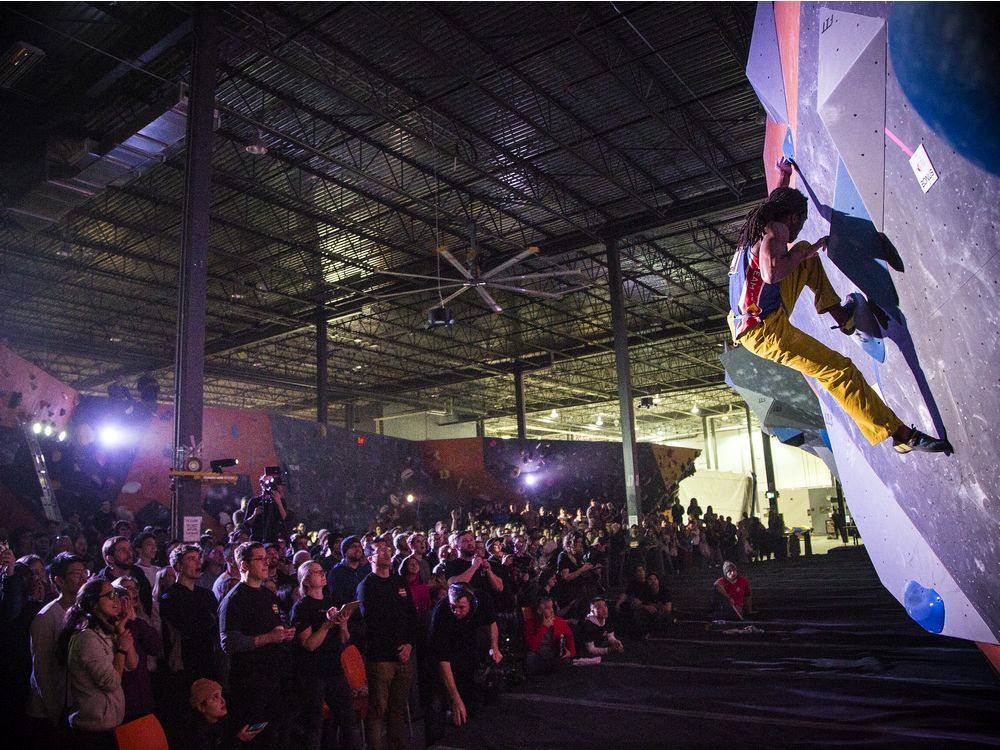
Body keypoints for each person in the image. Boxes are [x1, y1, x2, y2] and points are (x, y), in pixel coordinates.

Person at [728, 157, 952, 455]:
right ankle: (899, 434)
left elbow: (775, 202)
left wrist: (783, 176)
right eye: (800, 223)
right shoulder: (772, 235)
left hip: (760, 313)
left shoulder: (765, 220)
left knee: (805, 252)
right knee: (838, 371)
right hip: (764, 333)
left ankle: (842, 316)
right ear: (792, 219)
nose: (797, 231)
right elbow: (771, 274)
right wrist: (800, 255)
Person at [219, 541, 296, 748]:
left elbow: (274, 626)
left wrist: (283, 634)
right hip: (250, 683)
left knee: (274, 736)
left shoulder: (267, 595)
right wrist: (269, 638)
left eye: (267, 558)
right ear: (244, 565)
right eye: (260, 559)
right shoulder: (234, 600)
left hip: (273, 676)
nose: (266, 563)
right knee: (255, 739)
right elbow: (229, 642)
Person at [59, 578, 139, 750]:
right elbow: (110, 682)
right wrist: (121, 650)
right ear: (94, 604)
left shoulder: (107, 631)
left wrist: (121, 628)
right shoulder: (86, 638)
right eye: (110, 595)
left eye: (116, 594)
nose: (116, 600)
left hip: (110, 725)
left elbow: (133, 664)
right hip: (93, 731)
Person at [290, 561, 362, 750]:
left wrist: (343, 624)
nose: (323, 575)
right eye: (317, 572)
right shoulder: (301, 608)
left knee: (349, 722)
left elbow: (344, 640)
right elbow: (309, 644)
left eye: (323, 571)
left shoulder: (331, 602)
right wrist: (326, 625)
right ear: (306, 581)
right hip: (312, 674)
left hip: (334, 669)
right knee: (314, 726)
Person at [358, 540, 419, 750]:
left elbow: (412, 615)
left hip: (404, 654)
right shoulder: (367, 585)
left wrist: (409, 644)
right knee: (378, 710)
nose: (386, 553)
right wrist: (397, 648)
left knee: (399, 708)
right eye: (380, 550)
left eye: (388, 549)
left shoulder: (399, 582)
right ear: (370, 558)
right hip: (381, 657)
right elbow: (372, 623)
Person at [27, 553, 89, 742]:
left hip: (73, 707)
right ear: (59, 580)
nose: (83, 578)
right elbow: (42, 671)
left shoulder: (84, 612)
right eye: (75, 573)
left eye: (84, 572)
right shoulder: (46, 618)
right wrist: (56, 713)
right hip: (49, 711)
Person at [427, 584, 502, 739]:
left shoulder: (483, 600)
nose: (456, 612)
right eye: (453, 607)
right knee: (441, 703)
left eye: (461, 607)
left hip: (467, 648)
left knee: (470, 697)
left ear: (471, 603)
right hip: (442, 656)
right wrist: (455, 698)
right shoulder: (441, 613)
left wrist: (494, 646)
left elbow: (492, 623)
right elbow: (443, 660)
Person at [184, 678, 264, 750]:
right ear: (202, 707)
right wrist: (239, 739)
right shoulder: (196, 736)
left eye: (221, 695)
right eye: (215, 697)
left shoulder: (225, 721)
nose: (222, 701)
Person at [522, 594, 575, 675]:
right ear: (539, 610)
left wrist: (570, 652)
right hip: (539, 656)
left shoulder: (559, 621)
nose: (552, 610)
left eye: (552, 607)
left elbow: (569, 637)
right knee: (530, 658)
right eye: (548, 608)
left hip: (555, 656)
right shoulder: (530, 623)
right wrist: (544, 627)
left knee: (566, 663)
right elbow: (531, 646)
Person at [244, 474, 290, 544]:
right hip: (258, 539)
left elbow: (285, 519)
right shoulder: (254, 501)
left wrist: (278, 502)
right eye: (266, 482)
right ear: (261, 483)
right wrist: (255, 514)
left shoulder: (280, 500)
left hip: (274, 539)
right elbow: (247, 524)